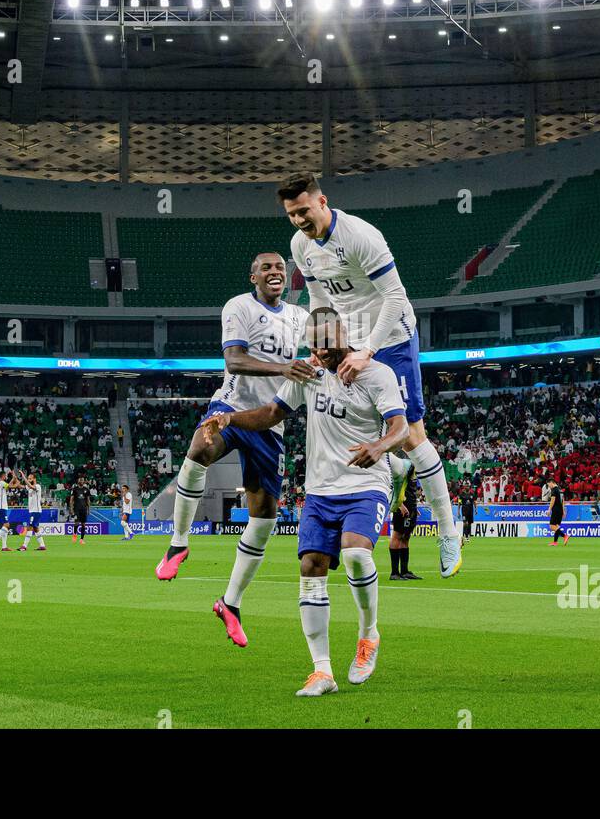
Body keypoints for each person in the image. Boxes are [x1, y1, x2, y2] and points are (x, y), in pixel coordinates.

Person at [201, 308, 408, 695]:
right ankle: (322, 671)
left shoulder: (375, 374)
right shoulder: (307, 373)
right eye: (314, 343)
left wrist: (379, 447)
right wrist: (229, 419)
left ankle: (368, 636)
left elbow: (399, 428)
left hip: (366, 483)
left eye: (328, 343)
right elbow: (269, 415)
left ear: (343, 333)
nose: (321, 351)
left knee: (356, 555)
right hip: (320, 490)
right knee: (310, 570)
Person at [280, 172, 461, 578]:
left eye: (303, 211)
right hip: (349, 337)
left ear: (322, 202)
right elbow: (319, 296)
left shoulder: (361, 236)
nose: (298, 221)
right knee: (349, 419)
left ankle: (449, 531)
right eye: (291, 214)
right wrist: (320, 337)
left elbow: (395, 297)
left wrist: (368, 352)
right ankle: (392, 468)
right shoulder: (300, 245)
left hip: (391, 336)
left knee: (413, 435)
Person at [155, 252, 311, 605]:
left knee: (264, 518)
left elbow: (322, 345)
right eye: (266, 268)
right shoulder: (238, 306)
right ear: (253, 277)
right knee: (199, 449)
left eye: (280, 268)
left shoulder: (299, 317)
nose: (275, 272)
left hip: (271, 421)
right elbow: (234, 359)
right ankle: (179, 542)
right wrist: (284, 369)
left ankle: (231, 603)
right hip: (231, 406)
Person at [389, 459, 421, 580]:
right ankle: (394, 572)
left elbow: (409, 488)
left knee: (406, 537)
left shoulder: (413, 467)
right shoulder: (404, 466)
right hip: (402, 506)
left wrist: (414, 507)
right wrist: (400, 504)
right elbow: (393, 486)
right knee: (397, 535)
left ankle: (405, 571)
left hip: (411, 506)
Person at [0, 469, 22, 552]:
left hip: (0, 507)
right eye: (5, 476)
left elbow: (8, 486)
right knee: (7, 525)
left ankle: (4, 546)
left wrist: (13, 478)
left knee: (5, 526)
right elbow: (12, 486)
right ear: (3, 476)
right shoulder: (1, 483)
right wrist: (17, 482)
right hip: (1, 507)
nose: (6, 477)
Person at [19, 472, 46, 551]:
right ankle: (42, 545)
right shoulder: (29, 487)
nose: (29, 479)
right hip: (32, 511)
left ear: (34, 479)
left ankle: (24, 546)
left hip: (36, 511)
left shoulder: (37, 486)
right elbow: (22, 486)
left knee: (29, 527)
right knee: (35, 528)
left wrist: (23, 476)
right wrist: (15, 479)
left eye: (30, 478)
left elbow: (30, 486)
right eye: (28, 478)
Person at [546, 479, 568, 546]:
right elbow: (563, 501)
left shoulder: (554, 490)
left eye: (548, 485)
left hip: (556, 510)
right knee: (556, 526)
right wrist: (563, 511)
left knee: (552, 526)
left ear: (551, 483)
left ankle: (564, 536)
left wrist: (549, 509)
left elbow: (553, 500)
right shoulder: (560, 490)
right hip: (560, 510)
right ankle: (555, 542)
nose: (549, 486)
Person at [71, 478, 91, 545]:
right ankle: (74, 535)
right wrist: (71, 509)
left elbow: (88, 500)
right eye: (80, 480)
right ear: (78, 481)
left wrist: (88, 509)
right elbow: (71, 500)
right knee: (76, 523)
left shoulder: (86, 489)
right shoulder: (75, 489)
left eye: (82, 480)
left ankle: (81, 539)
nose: (81, 481)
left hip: (84, 509)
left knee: (83, 524)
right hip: (76, 509)